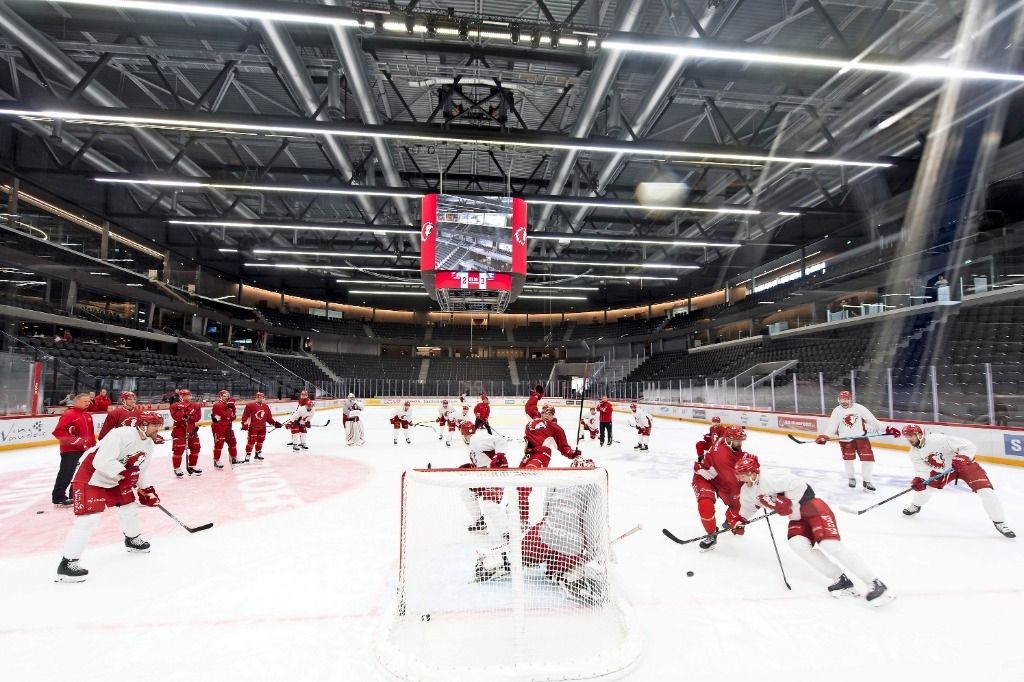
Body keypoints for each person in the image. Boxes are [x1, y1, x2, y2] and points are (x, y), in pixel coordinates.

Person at [734, 454, 892, 605]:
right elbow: (748, 507)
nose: (741, 479)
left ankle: (874, 582)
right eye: (739, 476)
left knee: (830, 545)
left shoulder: (771, 477)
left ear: (753, 472)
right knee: (797, 543)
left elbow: (801, 486)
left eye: (743, 475)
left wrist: (785, 503)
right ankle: (840, 579)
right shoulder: (746, 491)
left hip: (811, 506)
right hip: (797, 517)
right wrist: (741, 520)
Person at [473, 459, 606, 607]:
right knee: (561, 567)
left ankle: (496, 562)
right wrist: (593, 551)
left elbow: (546, 510)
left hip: (544, 536)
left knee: (520, 553)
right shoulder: (594, 487)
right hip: (570, 548)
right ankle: (568, 576)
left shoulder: (559, 479)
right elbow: (591, 524)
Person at [55, 412, 164, 582]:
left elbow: (140, 469)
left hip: (116, 477)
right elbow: (101, 462)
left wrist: (146, 490)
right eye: (154, 425)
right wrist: (125, 474)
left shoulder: (149, 444)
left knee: (129, 508)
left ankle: (132, 539)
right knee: (88, 520)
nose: (158, 429)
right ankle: (67, 564)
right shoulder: (121, 434)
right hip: (92, 476)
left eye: (159, 425)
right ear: (143, 425)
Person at [901, 425, 1015, 538]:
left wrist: (963, 457)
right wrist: (920, 479)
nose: (909, 439)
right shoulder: (914, 453)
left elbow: (968, 446)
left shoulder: (938, 439)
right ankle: (916, 505)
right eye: (907, 437)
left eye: (911, 436)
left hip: (966, 466)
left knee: (987, 492)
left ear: (919, 434)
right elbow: (922, 469)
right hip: (943, 471)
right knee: (926, 488)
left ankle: (999, 522)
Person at [817, 390, 900, 491]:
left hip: (861, 438)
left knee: (868, 460)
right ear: (838, 399)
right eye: (841, 399)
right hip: (845, 440)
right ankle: (851, 478)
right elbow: (832, 426)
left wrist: (888, 429)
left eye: (846, 399)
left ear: (850, 399)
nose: (843, 401)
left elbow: (873, 421)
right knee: (848, 460)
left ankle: (867, 481)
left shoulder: (859, 408)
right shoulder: (837, 411)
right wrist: (825, 436)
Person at [520, 404, 584, 527]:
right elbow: (529, 407)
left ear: (553, 415)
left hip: (541, 454)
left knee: (529, 472)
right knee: (521, 488)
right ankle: (523, 519)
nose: (547, 415)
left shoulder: (556, 429)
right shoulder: (534, 419)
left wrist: (572, 453)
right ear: (541, 413)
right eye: (545, 413)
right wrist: (536, 395)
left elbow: (563, 446)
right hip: (528, 455)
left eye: (550, 414)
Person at [692, 425, 747, 551]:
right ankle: (712, 535)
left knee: (738, 505)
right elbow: (732, 482)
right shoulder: (721, 456)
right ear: (728, 440)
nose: (740, 444)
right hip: (705, 478)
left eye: (740, 441)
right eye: (737, 441)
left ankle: (729, 521)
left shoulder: (726, 439)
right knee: (705, 506)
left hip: (721, 479)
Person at [461, 430, 512, 536]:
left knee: (490, 505)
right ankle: (479, 522)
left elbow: (500, 440)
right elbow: (482, 461)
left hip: (495, 476)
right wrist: (470, 466)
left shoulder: (476, 439)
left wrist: (499, 455)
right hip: (484, 477)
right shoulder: (471, 445)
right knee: (467, 493)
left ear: (465, 435)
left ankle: (507, 533)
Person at [51, 393, 96, 506]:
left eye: (88, 401)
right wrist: (75, 441)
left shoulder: (88, 416)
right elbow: (58, 432)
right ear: (77, 401)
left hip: (86, 450)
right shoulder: (69, 414)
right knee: (67, 472)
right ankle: (58, 496)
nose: (88, 403)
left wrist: (93, 446)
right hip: (70, 450)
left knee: (81, 473)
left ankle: (74, 493)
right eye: (85, 401)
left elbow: (90, 434)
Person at [169, 389, 202, 477]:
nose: (186, 397)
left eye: (188, 395)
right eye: (184, 396)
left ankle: (192, 466)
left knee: (196, 447)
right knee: (179, 449)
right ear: (180, 397)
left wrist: (191, 413)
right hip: (179, 429)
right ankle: (177, 468)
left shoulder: (196, 405)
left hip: (191, 429)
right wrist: (181, 410)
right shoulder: (174, 406)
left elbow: (197, 418)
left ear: (191, 396)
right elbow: (177, 418)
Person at [240, 392, 281, 462]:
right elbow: (245, 416)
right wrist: (244, 423)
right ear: (256, 398)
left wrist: (274, 423)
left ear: (263, 398)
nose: (260, 398)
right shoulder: (250, 405)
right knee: (251, 442)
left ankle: (258, 453)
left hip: (262, 427)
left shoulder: (266, 406)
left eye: (261, 397)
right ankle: (248, 454)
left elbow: (268, 418)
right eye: (258, 397)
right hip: (253, 427)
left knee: (260, 441)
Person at [211, 389, 240, 467]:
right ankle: (216, 460)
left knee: (233, 442)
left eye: (227, 396)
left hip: (228, 426)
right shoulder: (217, 405)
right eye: (224, 396)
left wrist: (233, 411)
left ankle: (234, 458)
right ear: (220, 396)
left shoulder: (229, 405)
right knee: (219, 444)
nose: (226, 398)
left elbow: (232, 417)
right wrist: (231, 409)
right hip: (218, 427)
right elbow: (225, 415)